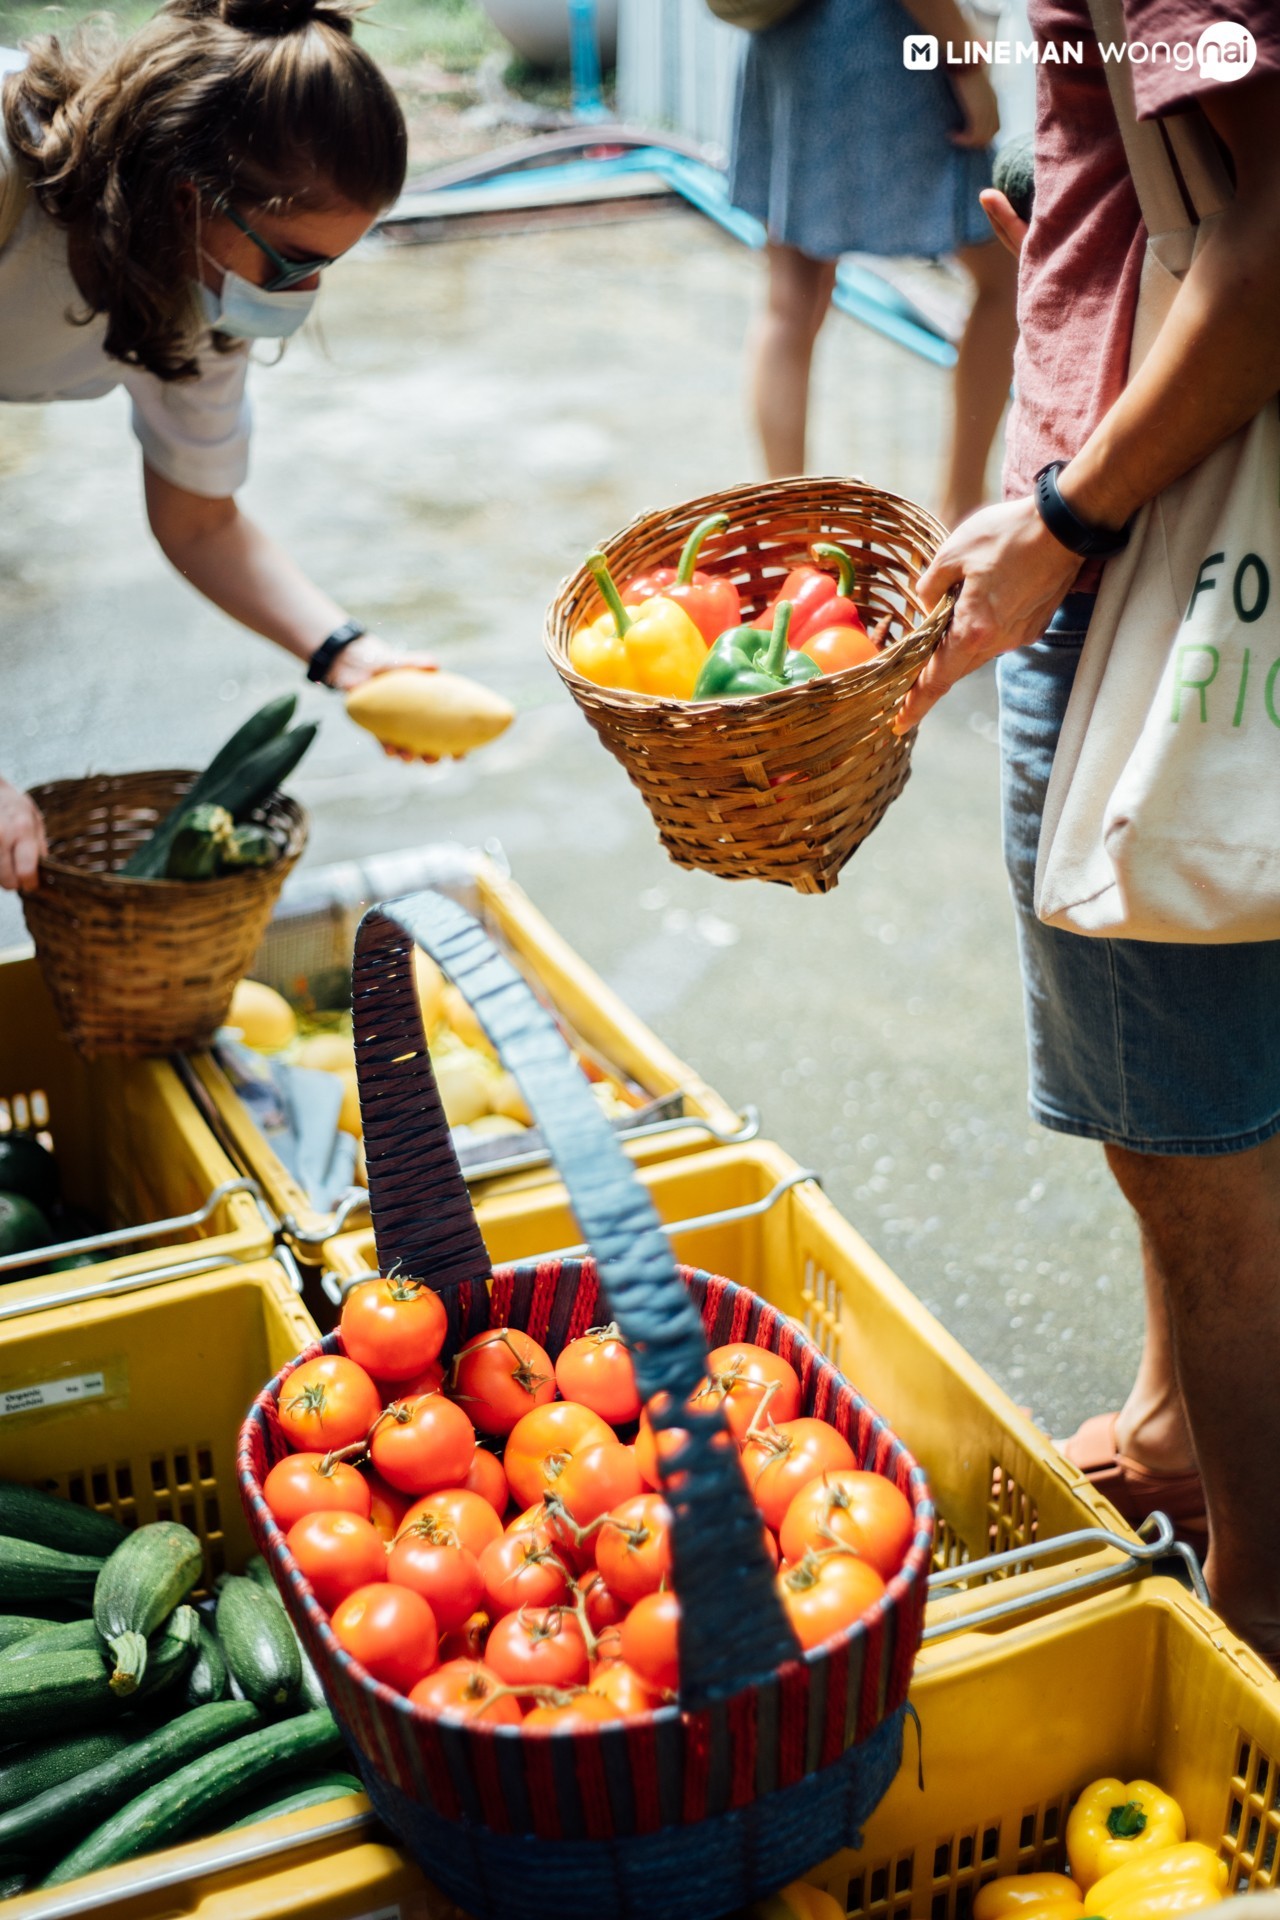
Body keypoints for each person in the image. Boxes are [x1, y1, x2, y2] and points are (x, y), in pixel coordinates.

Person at [896, 1, 1280, 1653]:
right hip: (1137, 495)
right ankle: (1181, 1432)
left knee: (1195, 1134)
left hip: (1152, 538)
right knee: (1173, 1106)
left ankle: (1263, 1597)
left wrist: (1065, 516)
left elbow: (1274, 235)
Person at [0, 0, 434, 895]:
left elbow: (199, 519)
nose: (303, 292)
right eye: (290, 261)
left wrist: (349, 656)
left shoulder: (198, 281)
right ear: (189, 195)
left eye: (328, 267)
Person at [726, 0, 1019, 527]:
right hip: (882, 43)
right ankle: (961, 509)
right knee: (1006, 277)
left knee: (790, 296)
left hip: (786, 36)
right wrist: (967, 62)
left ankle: (788, 528)